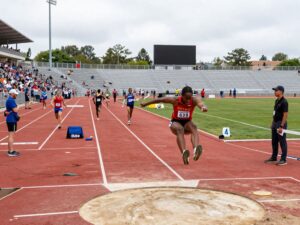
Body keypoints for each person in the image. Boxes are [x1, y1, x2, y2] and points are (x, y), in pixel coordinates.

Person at [141, 86, 208, 165]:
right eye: (186, 98)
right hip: (175, 122)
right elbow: (159, 100)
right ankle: (184, 153)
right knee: (180, 129)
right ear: (181, 95)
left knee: (194, 127)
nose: (188, 100)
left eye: (189, 98)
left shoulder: (193, 100)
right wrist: (145, 104)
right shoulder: (175, 100)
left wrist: (203, 108)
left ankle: (196, 149)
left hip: (187, 122)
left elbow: (201, 103)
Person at [265, 85, 288, 166]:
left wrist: (281, 126)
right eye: (274, 90)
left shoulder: (284, 102)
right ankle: (274, 157)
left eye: (276, 90)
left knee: (282, 141)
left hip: (280, 123)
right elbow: (275, 113)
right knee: (274, 141)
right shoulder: (276, 101)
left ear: (281, 91)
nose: (274, 92)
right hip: (275, 123)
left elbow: (285, 115)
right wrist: (273, 123)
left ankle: (283, 159)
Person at [5, 89, 20, 157]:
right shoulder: (11, 100)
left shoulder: (9, 100)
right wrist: (18, 106)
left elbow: (7, 110)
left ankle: (10, 150)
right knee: (11, 135)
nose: (16, 95)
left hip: (10, 119)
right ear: (12, 94)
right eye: (15, 94)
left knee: (10, 135)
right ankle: (11, 151)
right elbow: (15, 110)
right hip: (12, 119)